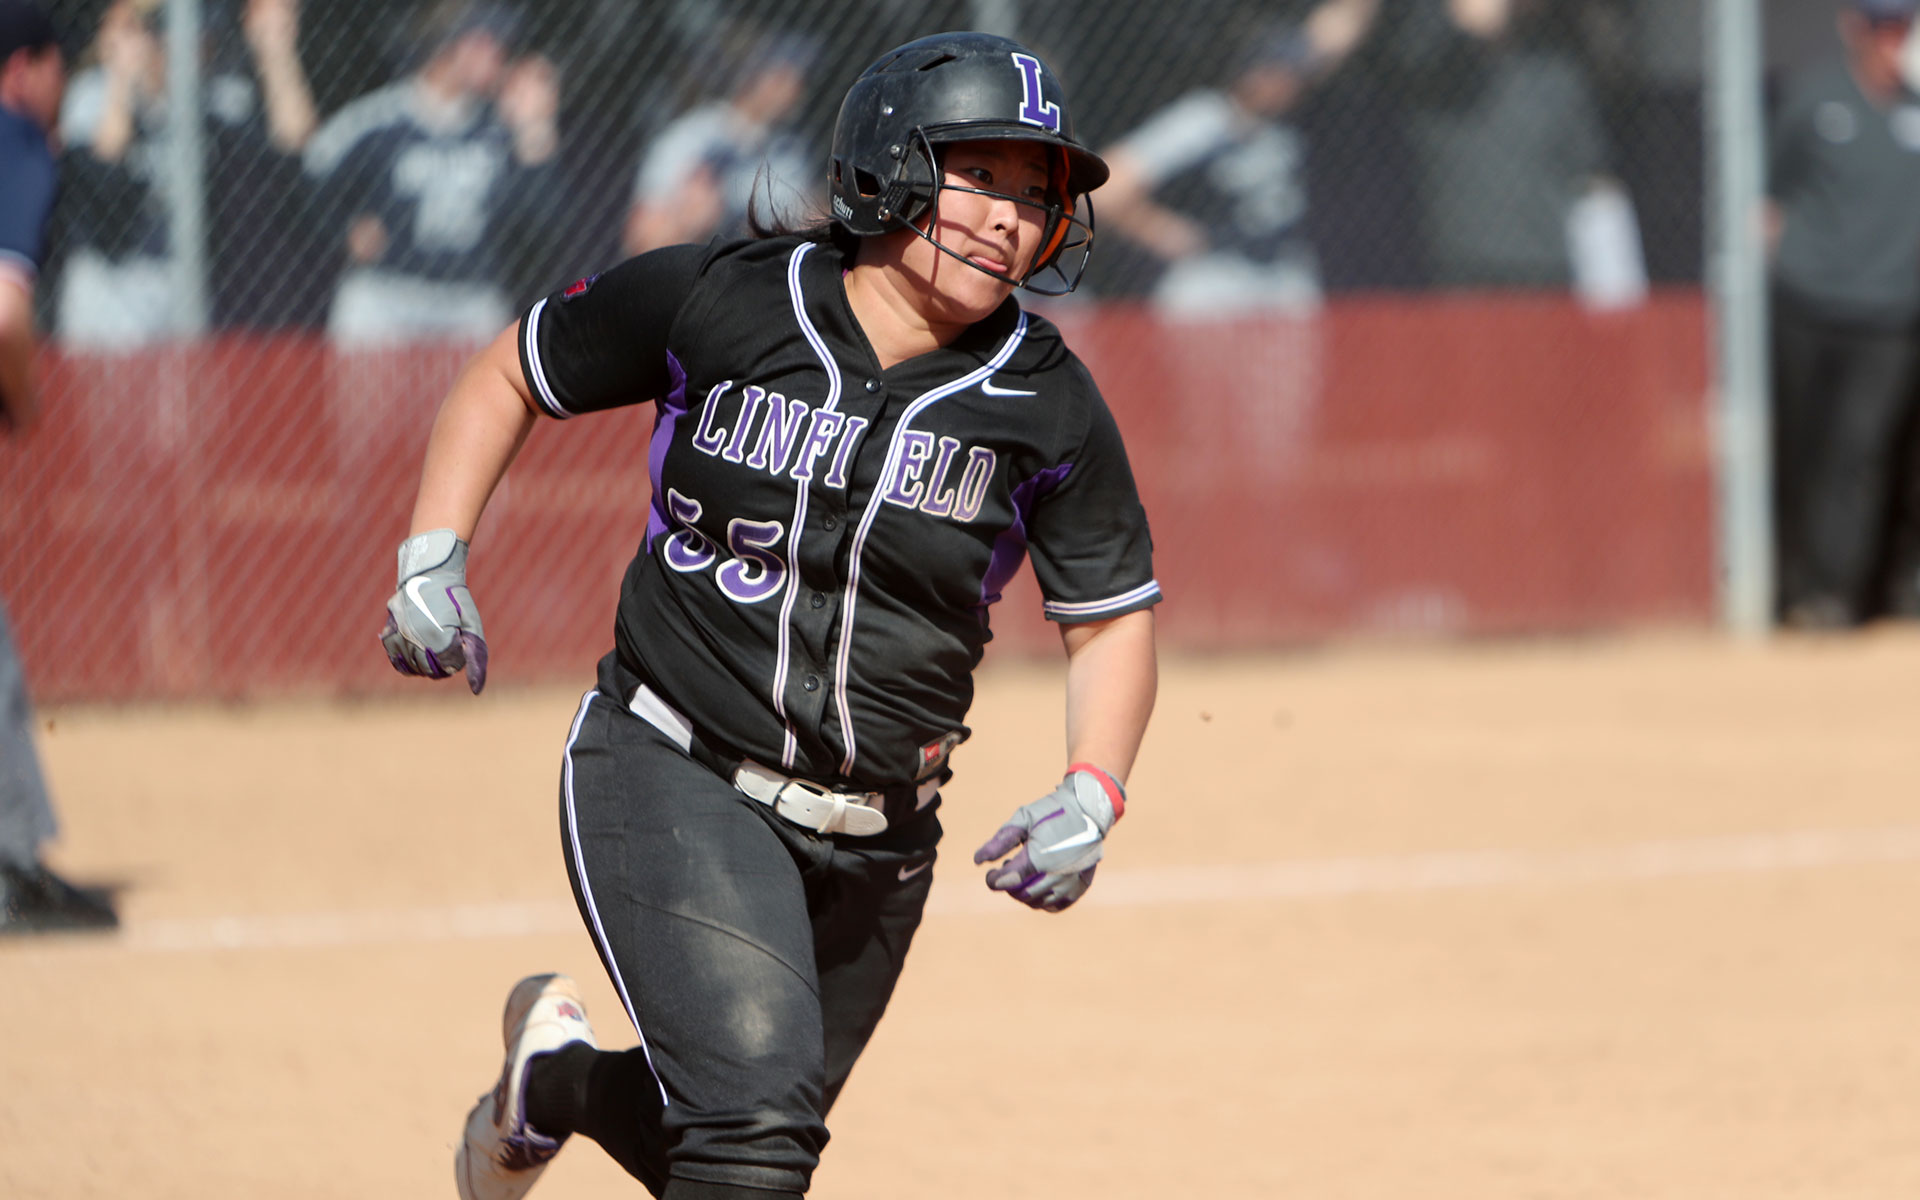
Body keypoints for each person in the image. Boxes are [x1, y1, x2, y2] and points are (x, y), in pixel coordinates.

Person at [378, 32, 1159, 1200]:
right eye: (984, 173)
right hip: (673, 766)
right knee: (752, 1138)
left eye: (1038, 189)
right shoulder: (729, 299)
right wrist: (431, 556)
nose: (1014, 214)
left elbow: (1110, 617)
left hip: (885, 843)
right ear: (890, 162)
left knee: (737, 1131)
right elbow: (513, 372)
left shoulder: (1042, 400)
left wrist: (1096, 786)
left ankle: (555, 1089)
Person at [0, 0, 118, 934]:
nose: (60, 86)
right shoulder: (18, 143)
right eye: (56, 66)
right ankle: (9, 866)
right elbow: (5, 310)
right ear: (23, 70)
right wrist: (27, 401)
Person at [1766, 0, 1920, 627]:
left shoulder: (1915, 106)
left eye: (1902, 27)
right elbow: (1770, 202)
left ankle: (1839, 595)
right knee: (1805, 449)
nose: (1891, 40)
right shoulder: (1814, 98)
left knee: (1861, 453)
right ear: (1853, 28)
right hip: (1808, 304)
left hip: (1891, 316)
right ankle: (1793, 589)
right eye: (1880, 26)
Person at [52, 0, 320, 345]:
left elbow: (296, 145)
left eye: (203, 39)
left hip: (181, 278)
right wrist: (121, 83)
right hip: (110, 282)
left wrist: (276, 55)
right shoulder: (95, 91)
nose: (196, 51)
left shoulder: (214, 97)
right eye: (177, 40)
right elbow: (103, 172)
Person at [302, 0, 560, 346]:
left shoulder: (499, 130)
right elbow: (308, 175)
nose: (498, 58)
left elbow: (544, 226)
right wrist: (343, 229)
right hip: (388, 291)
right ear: (452, 45)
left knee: (490, 339)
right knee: (358, 303)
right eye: (487, 45)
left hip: (469, 297)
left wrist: (534, 133)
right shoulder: (384, 119)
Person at [620, 31, 817, 256]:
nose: (793, 90)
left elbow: (800, 225)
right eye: (782, 77)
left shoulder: (789, 152)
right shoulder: (695, 133)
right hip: (690, 256)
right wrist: (690, 221)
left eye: (798, 81)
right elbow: (641, 228)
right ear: (755, 76)